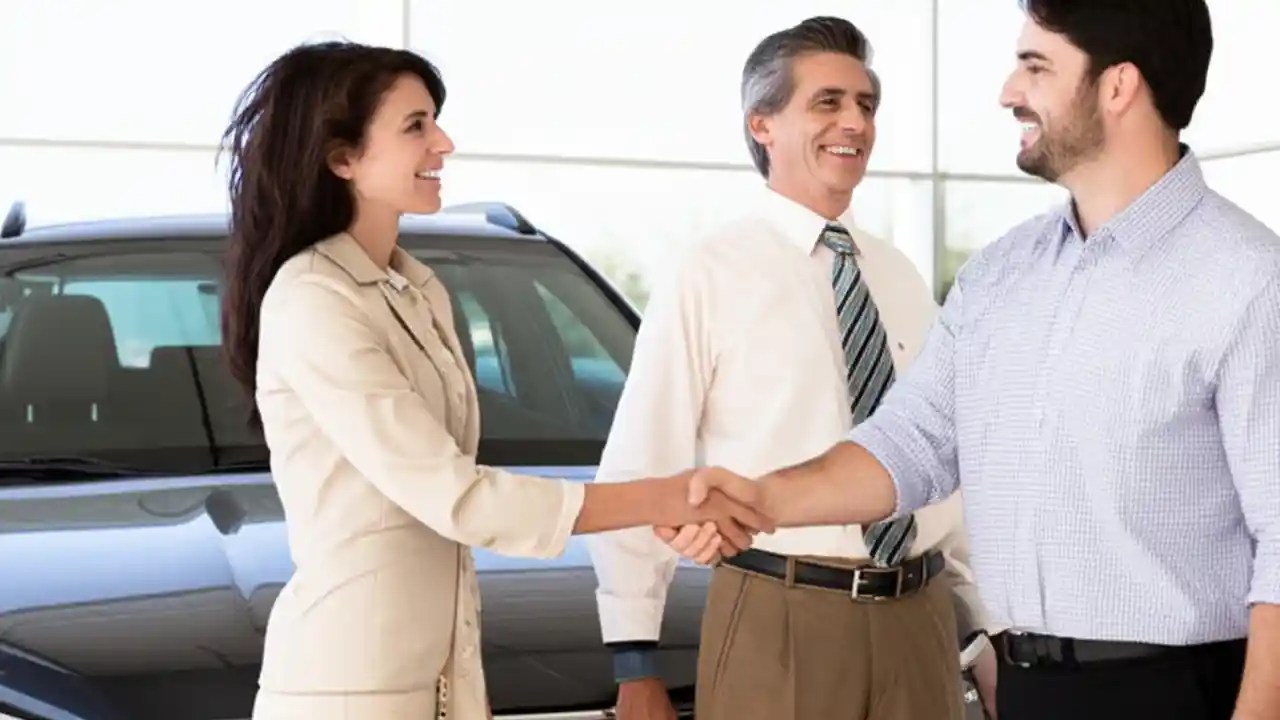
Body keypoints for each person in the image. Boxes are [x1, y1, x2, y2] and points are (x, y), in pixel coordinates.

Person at [669, 1, 1280, 719]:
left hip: (1182, 692)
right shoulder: (1000, 274)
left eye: (1035, 66)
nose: (1007, 91)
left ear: (1117, 87)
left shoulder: (1248, 280)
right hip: (1027, 688)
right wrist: (760, 498)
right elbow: (911, 443)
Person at [217, 41, 771, 720]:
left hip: (447, 678)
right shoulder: (313, 300)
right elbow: (456, 495)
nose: (443, 143)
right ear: (342, 158)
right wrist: (665, 499)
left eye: (436, 121)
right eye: (415, 125)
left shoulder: (417, 289)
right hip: (352, 688)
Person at [586, 17, 998, 720]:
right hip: (780, 614)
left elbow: (943, 456)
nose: (856, 123)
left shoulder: (898, 277)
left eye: (866, 105)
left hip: (919, 620)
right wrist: (634, 658)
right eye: (828, 102)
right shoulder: (709, 271)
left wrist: (986, 627)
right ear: (763, 125)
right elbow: (639, 463)